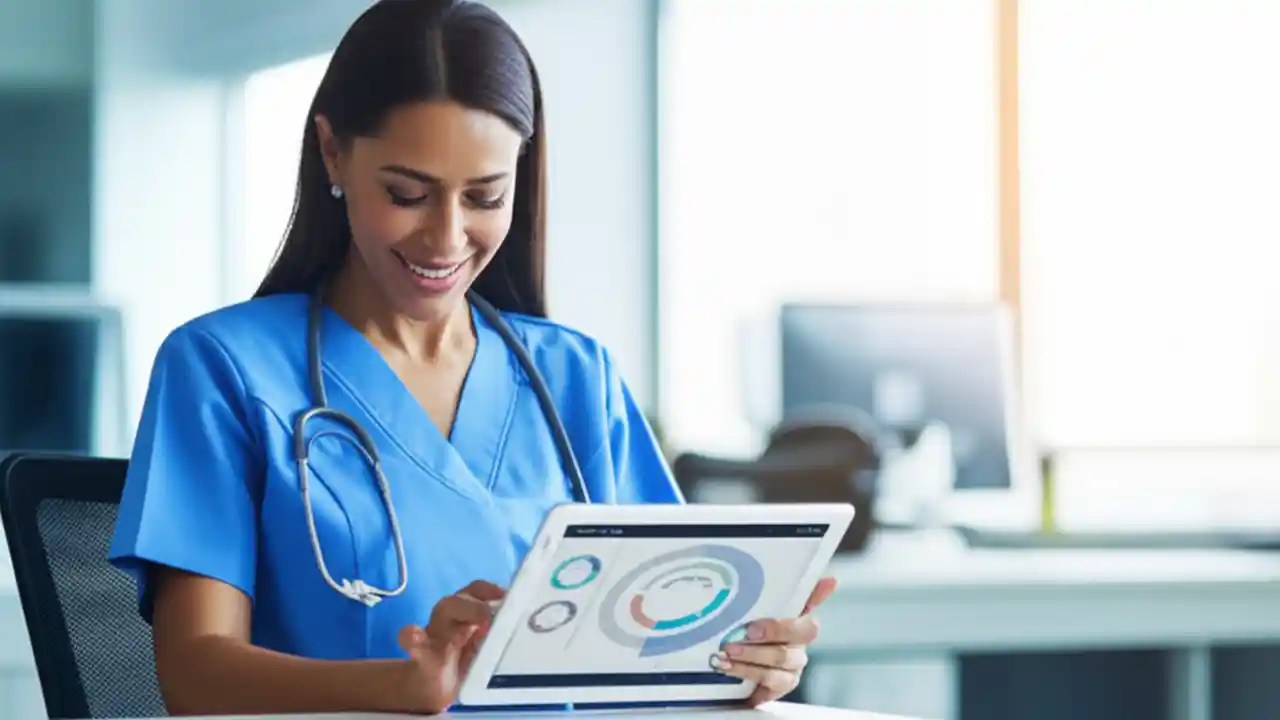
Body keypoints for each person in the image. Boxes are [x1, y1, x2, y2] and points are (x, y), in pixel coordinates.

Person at [108, 0, 836, 715]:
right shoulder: (224, 369)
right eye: (407, 194)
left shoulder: (575, 377)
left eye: (484, 197)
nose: (446, 239)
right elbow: (194, 676)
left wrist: (745, 664)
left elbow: (664, 649)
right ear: (333, 152)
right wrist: (399, 689)